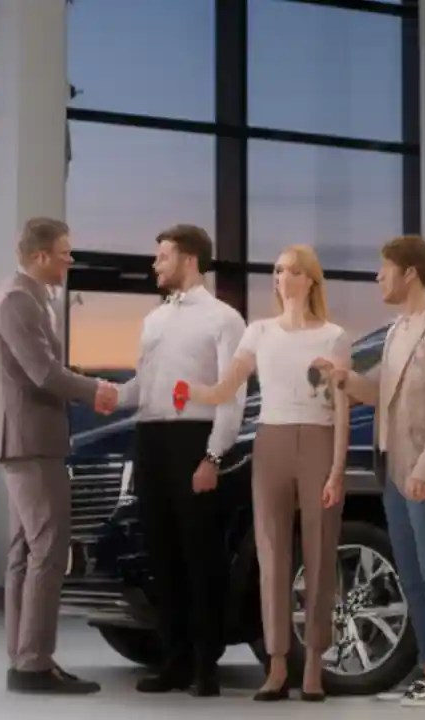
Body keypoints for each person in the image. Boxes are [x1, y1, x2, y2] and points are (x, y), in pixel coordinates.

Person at [186, 244, 350, 703]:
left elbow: (340, 409)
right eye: (278, 271)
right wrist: (190, 389)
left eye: (293, 271)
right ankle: (278, 664)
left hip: (319, 440)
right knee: (272, 554)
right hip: (271, 440)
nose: (283, 278)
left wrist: (337, 470)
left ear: (311, 281)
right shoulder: (258, 332)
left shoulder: (335, 336)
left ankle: (314, 663)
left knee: (320, 554)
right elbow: (225, 388)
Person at [317, 235, 425, 707]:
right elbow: (381, 394)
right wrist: (344, 381)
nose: (378, 277)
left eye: (384, 268)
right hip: (394, 468)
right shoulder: (397, 330)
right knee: (411, 573)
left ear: (409, 273)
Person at [0, 217, 118, 695]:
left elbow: (41, 366)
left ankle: (25, 659)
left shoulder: (25, 297)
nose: (69, 260)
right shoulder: (19, 299)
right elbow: (42, 372)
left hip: (23, 441)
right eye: (64, 252)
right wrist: (95, 391)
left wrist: (78, 379)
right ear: (40, 256)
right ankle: (34, 663)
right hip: (31, 442)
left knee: (25, 551)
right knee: (49, 550)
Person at [114, 224, 247, 697]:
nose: (156, 265)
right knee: (162, 556)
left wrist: (213, 455)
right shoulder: (153, 321)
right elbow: (142, 385)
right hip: (149, 439)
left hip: (195, 442)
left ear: (189, 259)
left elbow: (232, 397)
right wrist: (110, 394)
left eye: (163, 256)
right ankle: (173, 661)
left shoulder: (225, 320)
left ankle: (205, 667)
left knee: (202, 558)